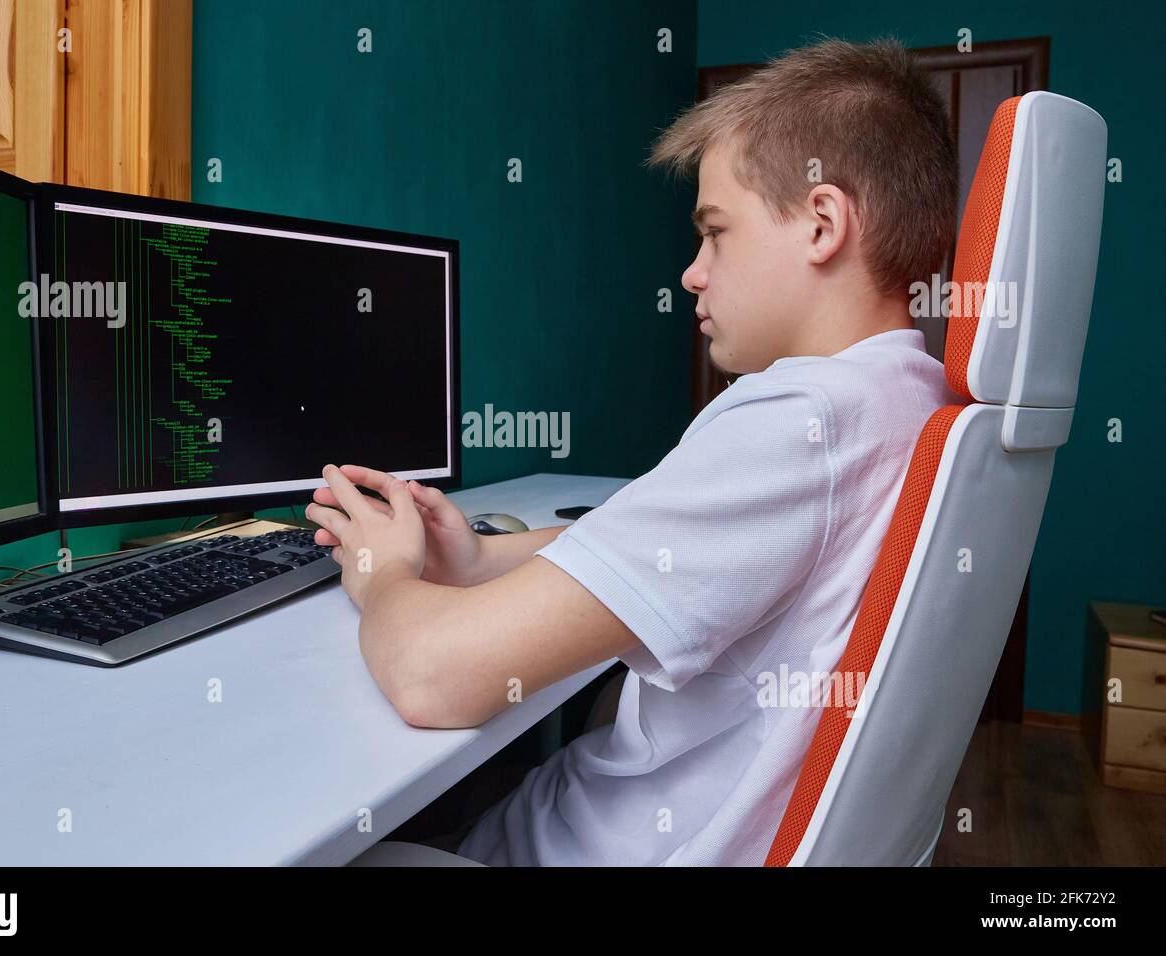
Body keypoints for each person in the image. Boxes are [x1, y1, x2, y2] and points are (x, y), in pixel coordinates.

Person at [304, 37, 961, 866]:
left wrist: (384, 574)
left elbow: (433, 677)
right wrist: (480, 559)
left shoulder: (801, 418)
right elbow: (675, 548)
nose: (693, 272)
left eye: (715, 232)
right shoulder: (912, 397)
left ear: (823, 224)